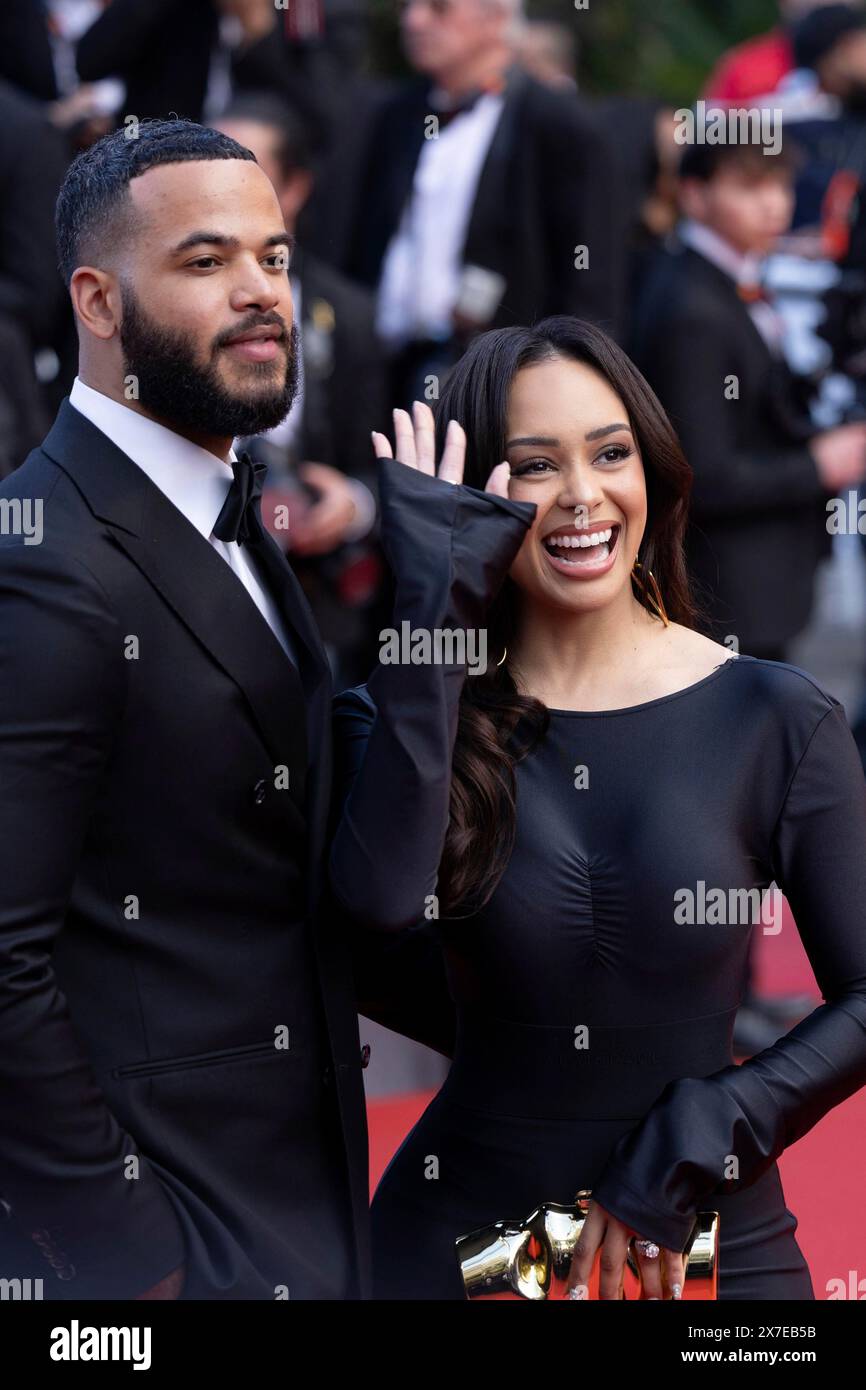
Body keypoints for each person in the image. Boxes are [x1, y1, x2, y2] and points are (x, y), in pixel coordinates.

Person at [0, 116, 454, 1300]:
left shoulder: (223, 495)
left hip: (291, 1183)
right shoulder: (42, 559)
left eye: (274, 256)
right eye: (205, 263)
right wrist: (127, 1254)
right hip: (171, 1229)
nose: (259, 293)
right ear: (97, 303)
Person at [327, 316, 866, 1300]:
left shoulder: (774, 713)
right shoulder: (400, 712)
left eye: (609, 452)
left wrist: (711, 1125)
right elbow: (375, 906)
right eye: (533, 467)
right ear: (477, 497)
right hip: (458, 1254)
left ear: (650, 464)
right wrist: (432, 604)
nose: (582, 496)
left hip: (712, 1244)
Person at [340, 0, 624, 406]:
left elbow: (590, 282)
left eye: (439, 8)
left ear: (496, 19)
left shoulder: (560, 125)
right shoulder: (395, 114)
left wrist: (575, 388)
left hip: (503, 380)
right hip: (388, 369)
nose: (414, 20)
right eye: (411, 6)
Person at [214, 94, 389, 690]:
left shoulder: (351, 313)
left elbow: (387, 467)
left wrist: (353, 505)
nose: (221, 191)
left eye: (247, 172)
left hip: (318, 600)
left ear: (295, 189)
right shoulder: (164, 307)